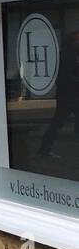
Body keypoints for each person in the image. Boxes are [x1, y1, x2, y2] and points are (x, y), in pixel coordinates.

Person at [40, 29, 79, 158]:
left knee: (58, 122)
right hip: (68, 95)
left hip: (70, 94)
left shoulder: (70, 54)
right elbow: (66, 76)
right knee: (57, 123)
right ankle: (44, 149)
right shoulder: (67, 55)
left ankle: (45, 149)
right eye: (77, 39)